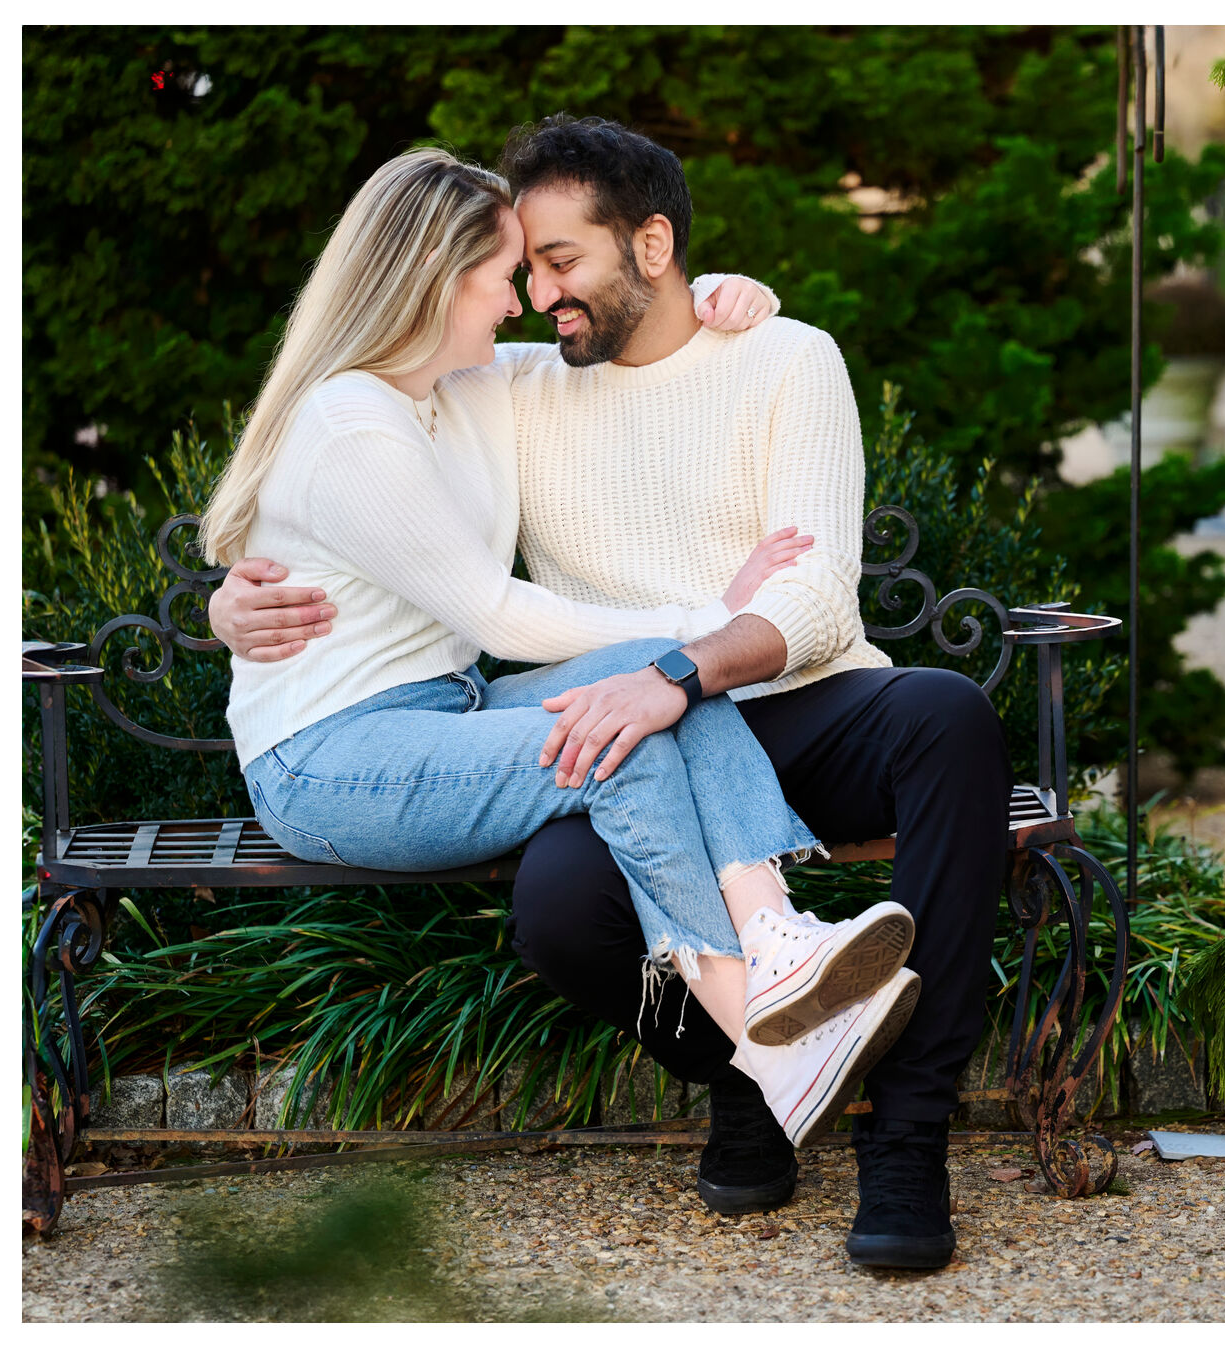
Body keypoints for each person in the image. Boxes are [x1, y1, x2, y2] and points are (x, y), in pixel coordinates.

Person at [211, 116, 1010, 1271]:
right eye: (515, 270)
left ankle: (906, 1131)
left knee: (944, 716)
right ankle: (743, 1061)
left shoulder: (785, 357)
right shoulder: (511, 385)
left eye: (556, 262)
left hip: (769, 695)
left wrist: (685, 662)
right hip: (613, 712)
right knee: (558, 904)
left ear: (651, 244)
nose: (534, 297)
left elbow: (820, 602)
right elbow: (346, 503)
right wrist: (227, 602)